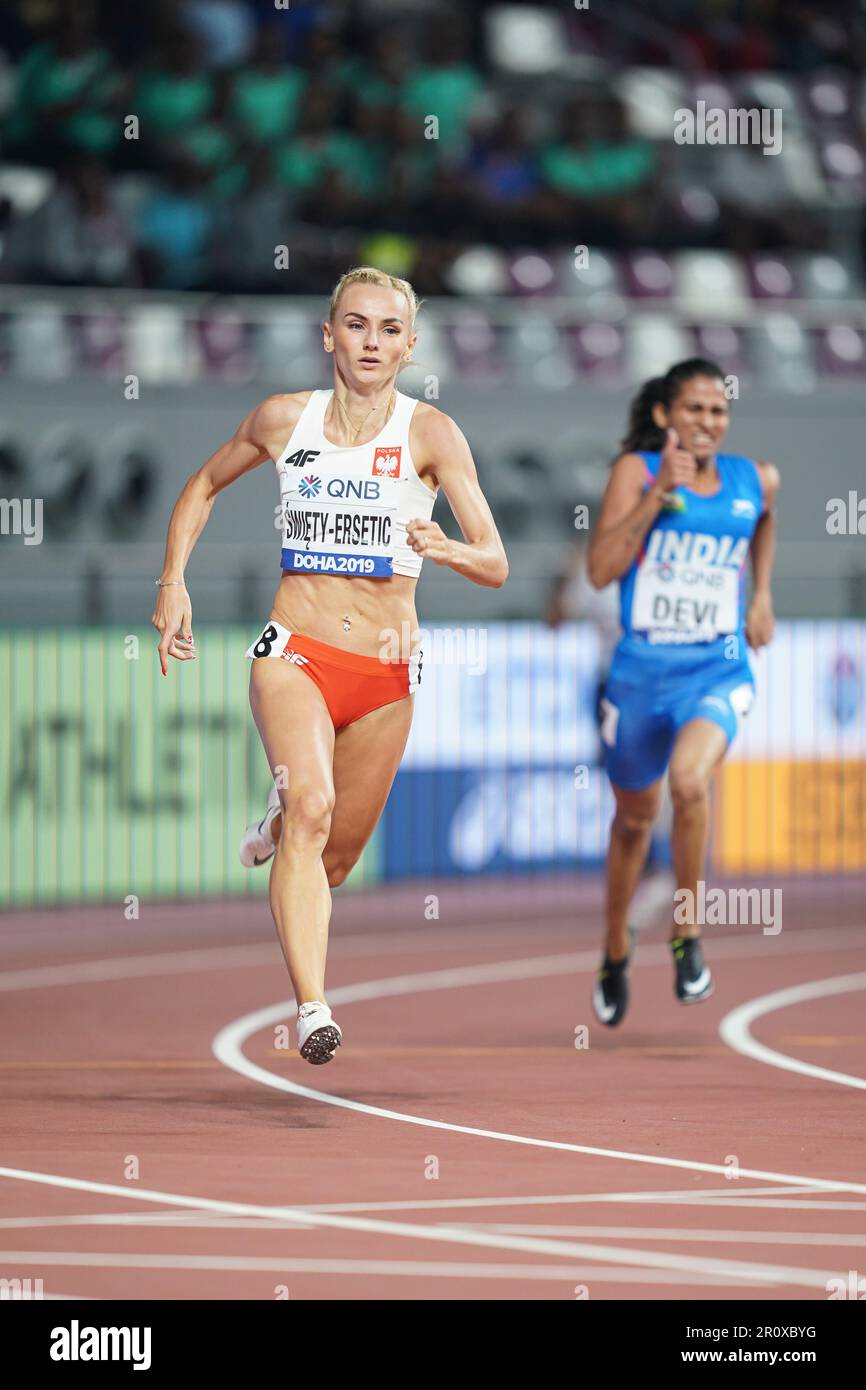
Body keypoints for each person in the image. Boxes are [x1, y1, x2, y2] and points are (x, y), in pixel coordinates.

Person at [151, 266, 508, 1062]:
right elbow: (203, 486)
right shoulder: (283, 419)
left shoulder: (431, 434)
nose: (371, 342)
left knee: (335, 859)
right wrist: (173, 580)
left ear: (410, 345)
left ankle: (275, 823)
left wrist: (449, 548)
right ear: (328, 335)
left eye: (388, 330)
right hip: (296, 652)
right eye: (356, 325)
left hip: (384, 672)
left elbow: (496, 561)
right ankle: (313, 1008)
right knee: (314, 809)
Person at [586, 358, 778, 1025]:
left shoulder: (755, 478)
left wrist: (761, 596)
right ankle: (615, 947)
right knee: (634, 822)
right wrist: (654, 496)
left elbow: (765, 516)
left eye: (718, 410)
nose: (707, 422)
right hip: (640, 676)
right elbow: (602, 568)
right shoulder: (635, 473)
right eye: (694, 409)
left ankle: (687, 934)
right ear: (666, 415)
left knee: (691, 784)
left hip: (716, 669)